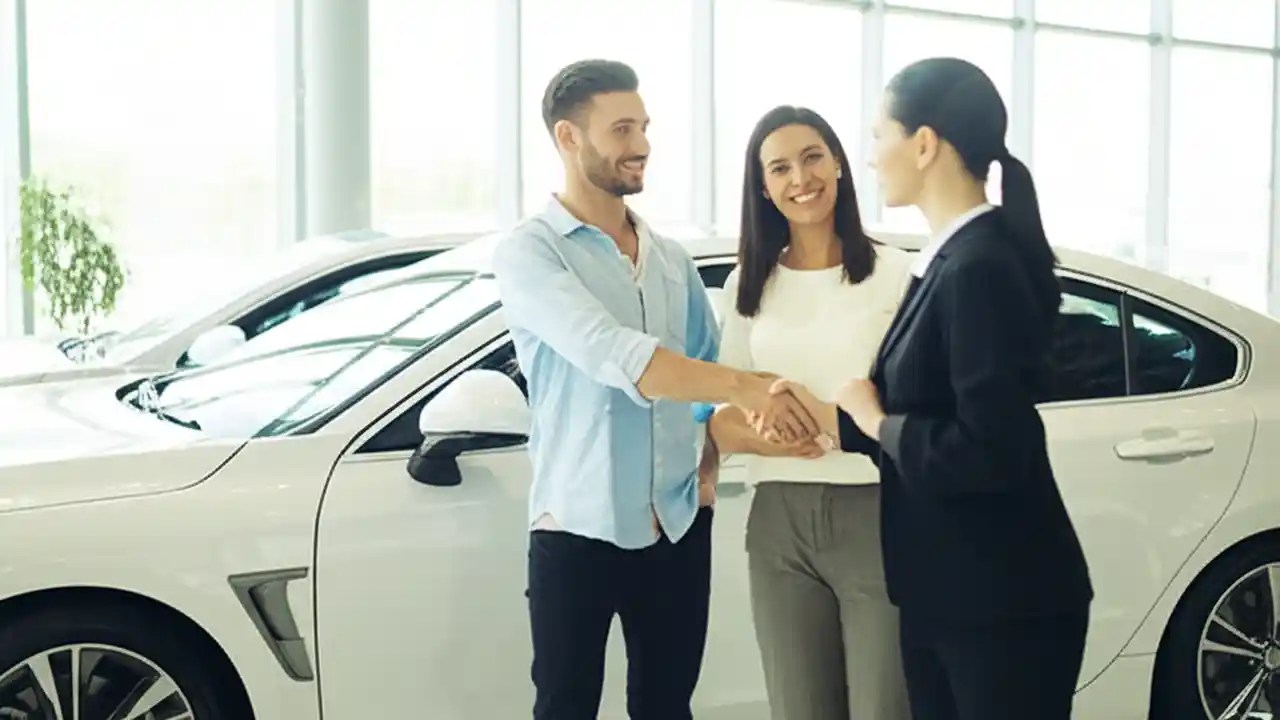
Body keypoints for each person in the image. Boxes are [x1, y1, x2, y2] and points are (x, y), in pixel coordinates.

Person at [491, 59, 817, 720]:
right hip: (576, 527)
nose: (640, 145)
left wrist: (711, 454)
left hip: (675, 525)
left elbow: (701, 371)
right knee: (564, 707)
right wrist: (746, 388)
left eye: (643, 126)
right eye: (621, 129)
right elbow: (614, 354)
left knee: (668, 708)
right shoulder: (531, 253)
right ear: (569, 138)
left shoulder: (669, 259)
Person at [773, 58, 1094, 720]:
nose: (869, 157)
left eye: (878, 135)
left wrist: (877, 419)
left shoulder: (980, 266)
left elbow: (989, 450)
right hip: (952, 593)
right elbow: (929, 414)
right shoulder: (951, 257)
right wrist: (832, 419)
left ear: (924, 144)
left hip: (1001, 603)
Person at [698, 105, 913, 720]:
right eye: (780, 167)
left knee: (884, 709)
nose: (801, 178)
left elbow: (911, 412)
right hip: (778, 525)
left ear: (840, 163)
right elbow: (723, 416)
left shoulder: (894, 274)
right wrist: (775, 436)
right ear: (763, 188)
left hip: (876, 513)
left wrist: (818, 418)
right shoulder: (751, 283)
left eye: (813, 156)